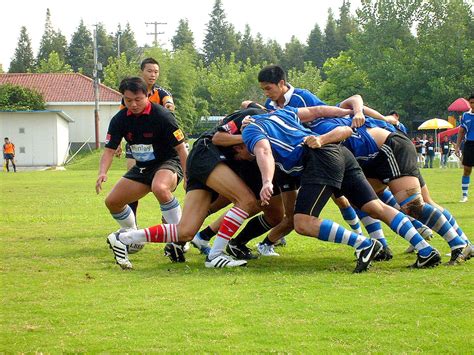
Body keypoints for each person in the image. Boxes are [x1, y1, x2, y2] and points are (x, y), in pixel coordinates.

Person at [104, 108, 281, 269]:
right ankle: (216, 256)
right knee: (246, 200)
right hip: (207, 154)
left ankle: (124, 238)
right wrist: (249, 139)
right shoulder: (256, 116)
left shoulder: (270, 141)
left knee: (186, 231)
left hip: (204, 161)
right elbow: (218, 138)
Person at [307, 111, 472, 265]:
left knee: (413, 205)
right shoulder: (323, 119)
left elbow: (355, 101)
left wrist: (375, 116)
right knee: (362, 199)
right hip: (375, 157)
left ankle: (459, 243)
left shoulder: (322, 120)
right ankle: (383, 246)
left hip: (389, 148)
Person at [96, 77, 188, 265]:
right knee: (112, 201)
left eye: (138, 99)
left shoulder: (163, 116)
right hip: (143, 167)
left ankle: (180, 237)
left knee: (160, 188)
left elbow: (181, 148)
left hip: (169, 161)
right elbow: (109, 150)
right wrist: (102, 172)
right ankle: (133, 235)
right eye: (128, 100)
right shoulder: (119, 119)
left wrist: (188, 176)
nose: (134, 104)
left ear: (147, 95)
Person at [116, 57, 176, 224]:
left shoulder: (161, 93)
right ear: (141, 72)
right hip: (136, 144)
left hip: (160, 146)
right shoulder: (129, 95)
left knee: (162, 187)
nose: (153, 75)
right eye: (149, 71)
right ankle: (131, 224)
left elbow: (169, 102)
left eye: (156, 72)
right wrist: (118, 143)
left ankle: (169, 219)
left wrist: (169, 106)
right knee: (132, 178)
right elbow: (121, 120)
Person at [455, 94, 474, 203]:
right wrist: (457, 147)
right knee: (467, 170)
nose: (473, 105)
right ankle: (464, 195)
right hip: (469, 145)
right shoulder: (465, 116)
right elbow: (461, 131)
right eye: (471, 102)